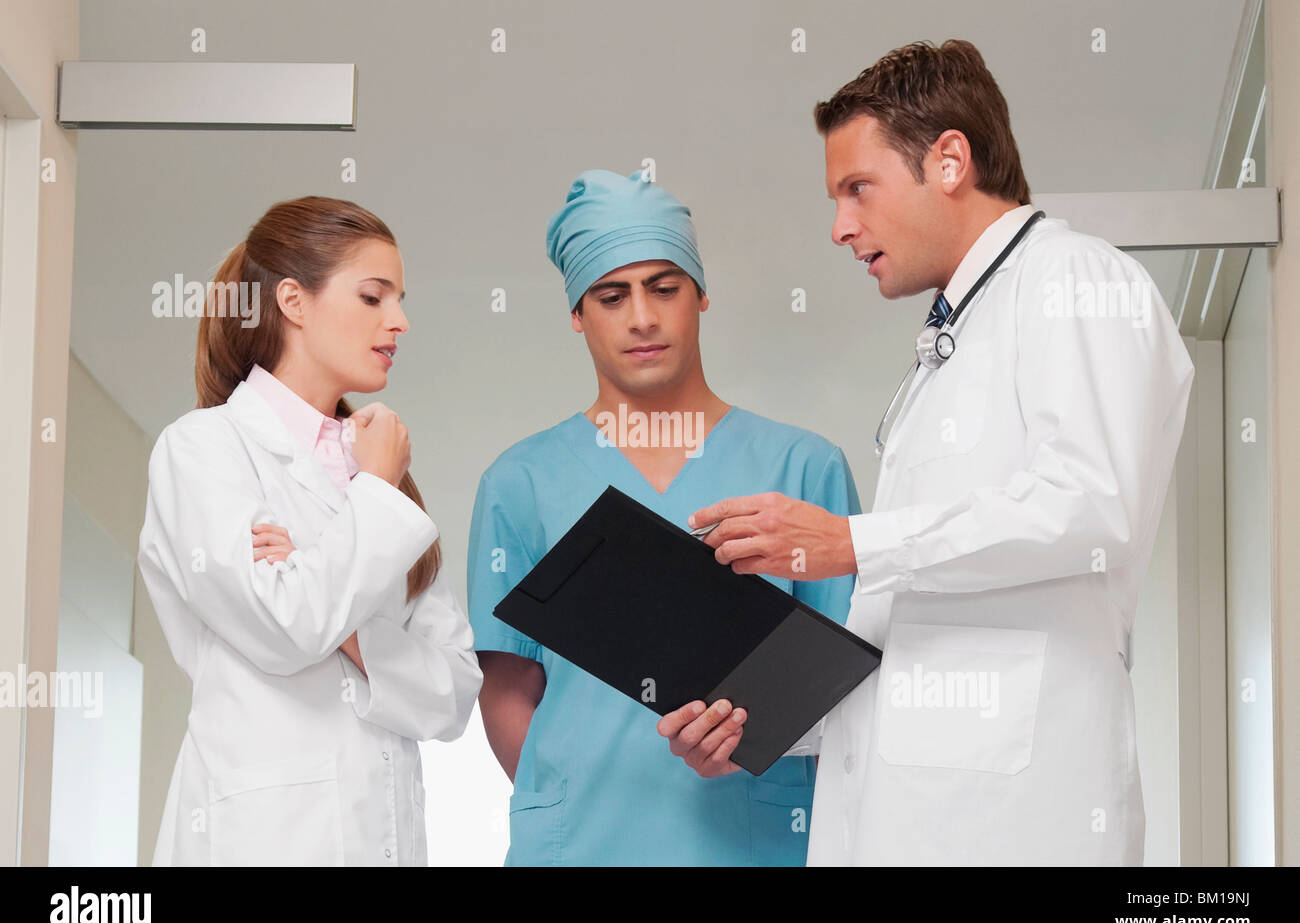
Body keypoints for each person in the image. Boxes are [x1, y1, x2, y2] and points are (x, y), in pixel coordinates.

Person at [660, 40, 1194, 865]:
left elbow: (1091, 506)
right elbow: (917, 630)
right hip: (911, 820)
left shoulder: (1079, 281)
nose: (839, 226)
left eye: (856, 188)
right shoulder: (951, 344)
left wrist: (851, 541)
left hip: (1016, 824)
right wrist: (762, 723)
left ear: (949, 161)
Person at [467, 169, 861, 865]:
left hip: (756, 842)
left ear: (701, 296)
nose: (642, 317)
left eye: (664, 287)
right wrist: (572, 805)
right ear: (576, 314)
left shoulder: (802, 469)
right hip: (581, 843)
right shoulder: (521, 483)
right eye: (611, 296)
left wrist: (756, 743)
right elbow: (508, 688)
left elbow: (849, 688)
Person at [138, 196, 482, 866]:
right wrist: (374, 495)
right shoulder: (203, 450)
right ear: (294, 301)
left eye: (400, 299)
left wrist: (344, 626)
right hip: (261, 839)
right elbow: (286, 626)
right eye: (374, 297)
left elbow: (453, 693)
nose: (400, 321)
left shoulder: (380, 472)